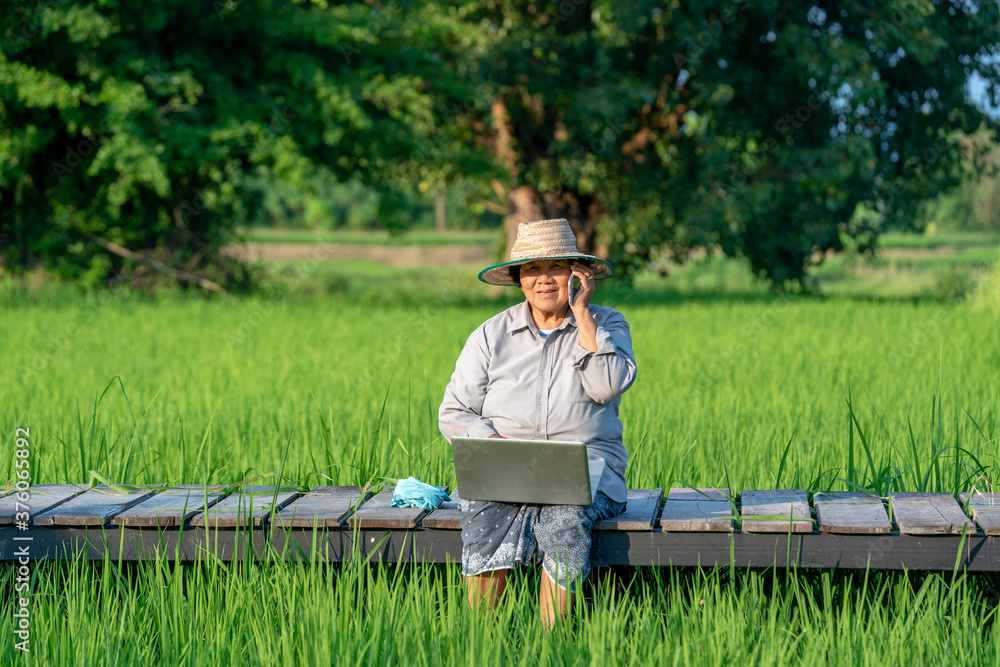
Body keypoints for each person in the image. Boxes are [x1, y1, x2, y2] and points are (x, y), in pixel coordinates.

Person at [438, 218, 637, 629]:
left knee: (564, 517)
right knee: (484, 511)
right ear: (518, 279)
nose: (544, 279)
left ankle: (552, 640)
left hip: (589, 469)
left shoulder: (607, 324)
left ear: (576, 274)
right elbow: (454, 411)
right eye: (532, 269)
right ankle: (481, 639)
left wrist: (583, 316)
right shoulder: (491, 335)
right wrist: (498, 444)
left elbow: (608, 387)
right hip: (507, 467)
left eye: (556, 268)